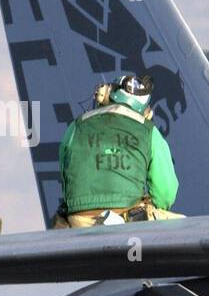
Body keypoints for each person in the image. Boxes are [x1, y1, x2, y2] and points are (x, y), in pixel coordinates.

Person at [52, 74, 182, 228]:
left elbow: (65, 174)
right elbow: (166, 193)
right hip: (128, 220)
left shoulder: (75, 127)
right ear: (144, 109)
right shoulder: (149, 131)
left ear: (107, 94)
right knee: (184, 227)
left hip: (80, 220)